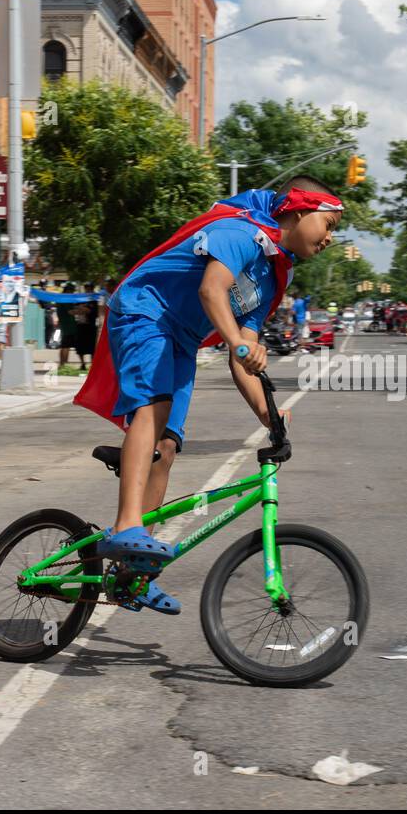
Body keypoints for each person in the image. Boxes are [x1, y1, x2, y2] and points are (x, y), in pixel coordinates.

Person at [74, 177, 342, 615]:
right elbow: (211, 290)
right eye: (327, 224)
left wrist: (267, 415)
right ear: (297, 211)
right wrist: (237, 340)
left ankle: (132, 575)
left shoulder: (274, 275)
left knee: (167, 446)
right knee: (154, 407)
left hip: (180, 336)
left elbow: (245, 353)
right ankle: (127, 524)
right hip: (145, 310)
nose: (329, 238)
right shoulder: (240, 234)